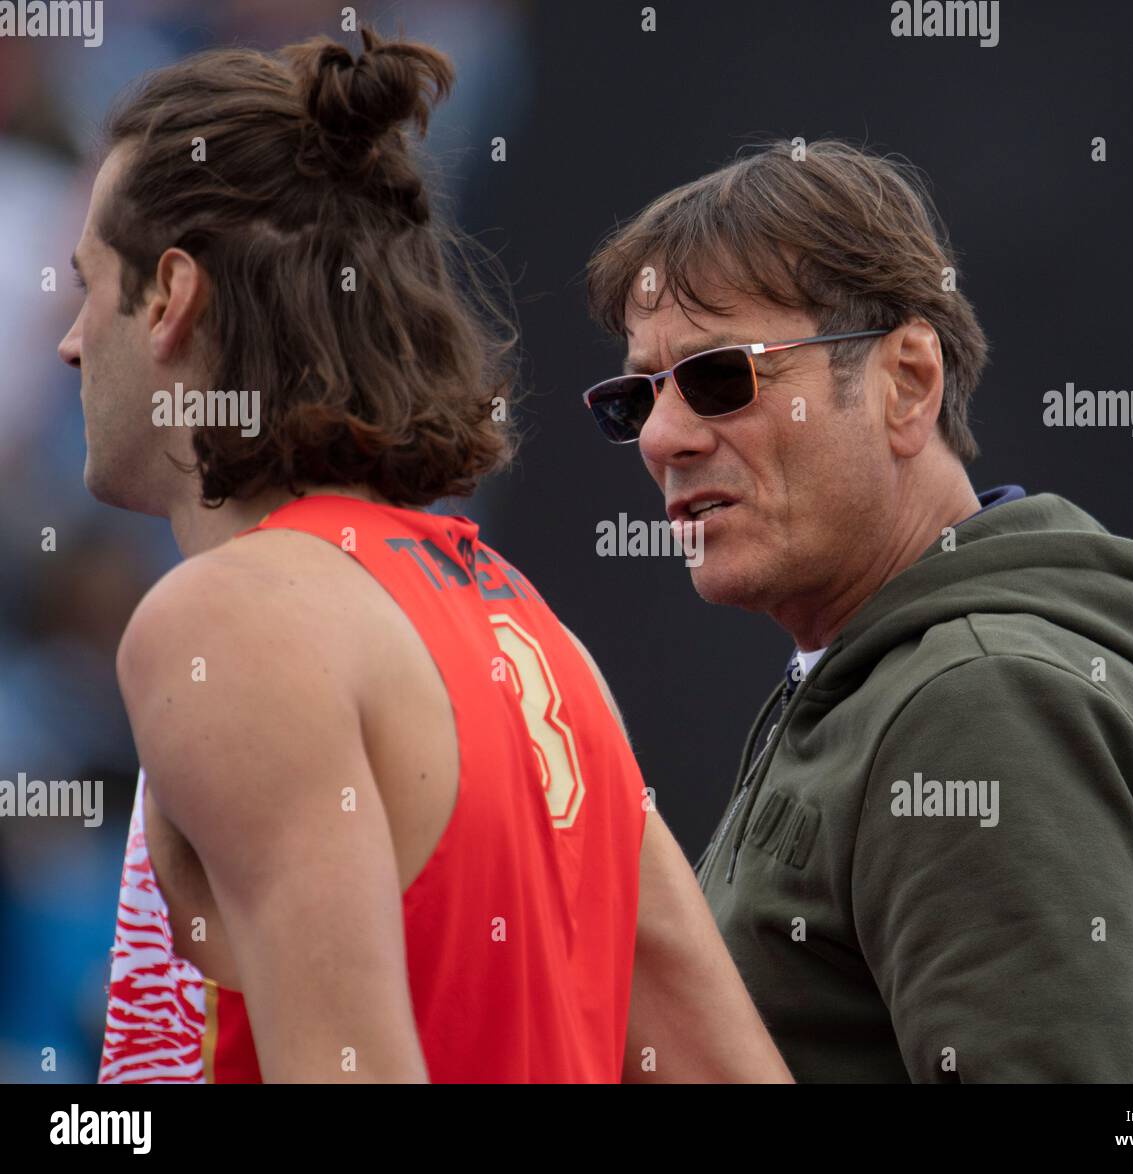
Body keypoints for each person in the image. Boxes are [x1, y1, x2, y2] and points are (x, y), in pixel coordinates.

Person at [66, 28, 790, 1084]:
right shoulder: (538, 636)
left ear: (172, 296)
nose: (70, 338)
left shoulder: (225, 620)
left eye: (87, 283)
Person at [581, 138, 1133, 1082]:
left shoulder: (984, 703)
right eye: (638, 398)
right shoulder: (897, 674)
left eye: (722, 376)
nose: (665, 437)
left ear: (907, 384)